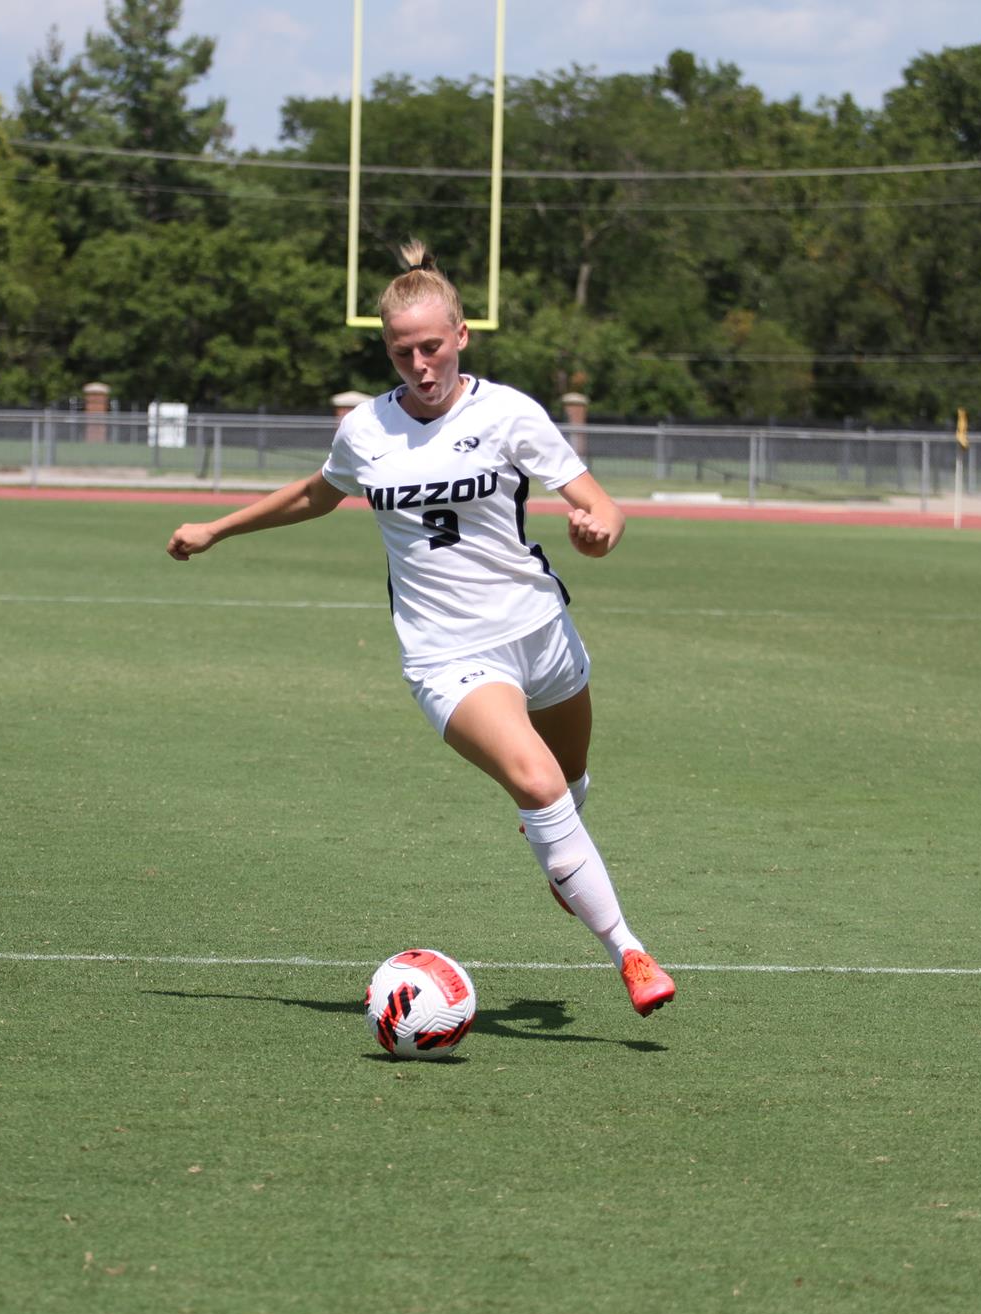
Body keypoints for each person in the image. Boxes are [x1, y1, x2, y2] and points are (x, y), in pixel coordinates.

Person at [166, 241, 675, 1018]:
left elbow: (601, 504)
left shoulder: (509, 413)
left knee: (566, 784)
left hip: (541, 630)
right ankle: (631, 952)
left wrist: (599, 529)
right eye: (402, 351)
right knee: (537, 782)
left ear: (462, 334)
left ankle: (561, 853)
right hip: (449, 655)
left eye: (432, 346)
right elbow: (315, 493)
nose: (420, 364)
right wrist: (218, 528)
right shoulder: (367, 429)